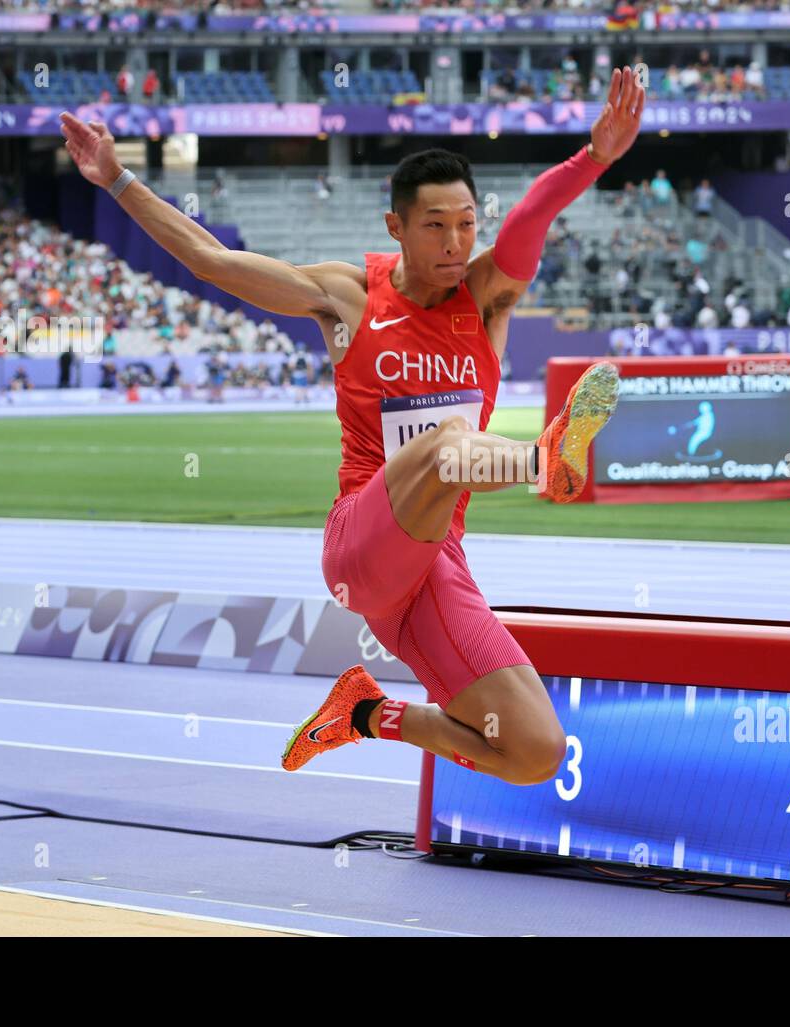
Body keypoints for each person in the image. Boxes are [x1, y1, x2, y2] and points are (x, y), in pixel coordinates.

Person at [60, 67, 646, 786]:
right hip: (360, 547)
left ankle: (365, 712)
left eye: (466, 223)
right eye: (434, 225)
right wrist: (118, 179)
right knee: (442, 446)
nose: (455, 242)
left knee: (534, 751)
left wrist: (597, 158)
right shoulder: (347, 298)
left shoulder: (489, 300)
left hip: (434, 573)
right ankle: (541, 461)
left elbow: (530, 220)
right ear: (394, 226)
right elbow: (212, 261)